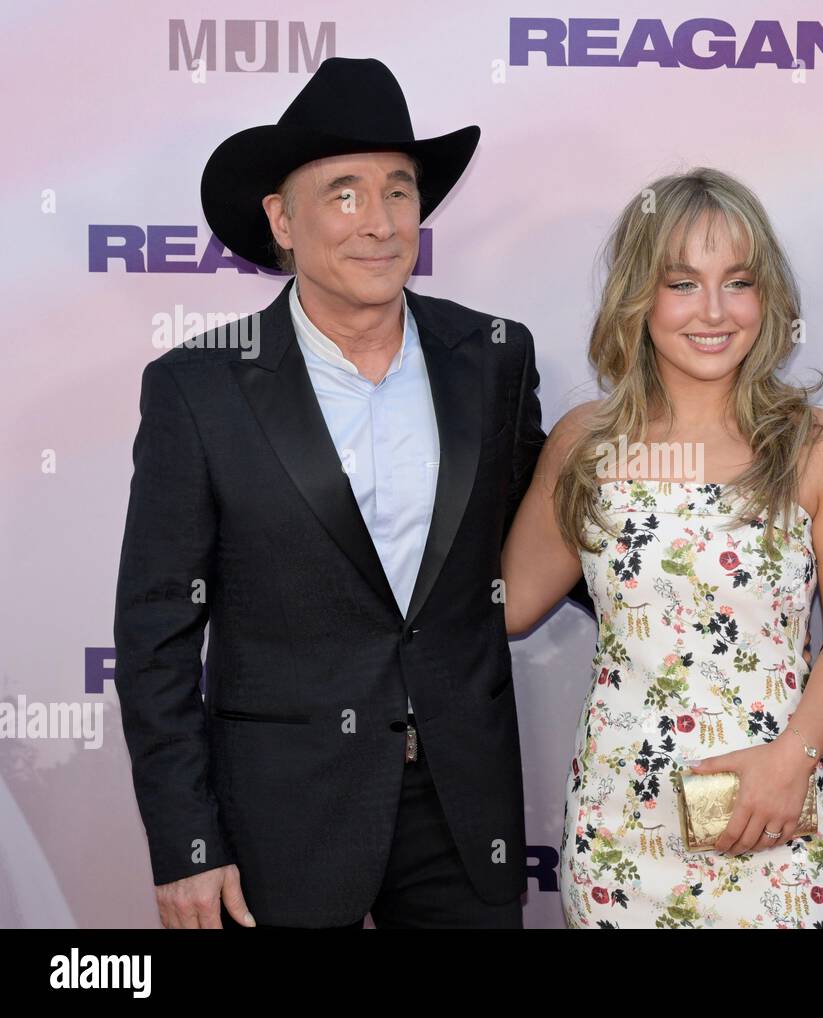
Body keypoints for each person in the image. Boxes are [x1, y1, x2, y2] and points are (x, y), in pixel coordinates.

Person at [113, 57, 589, 929]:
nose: (378, 223)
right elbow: (155, 635)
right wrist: (186, 841)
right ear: (280, 221)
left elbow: (557, 547)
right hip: (279, 825)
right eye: (343, 193)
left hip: (462, 813)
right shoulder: (198, 387)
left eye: (399, 192)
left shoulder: (493, 358)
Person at [502, 168, 823, 927]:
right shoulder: (588, 443)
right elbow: (506, 604)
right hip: (622, 824)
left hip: (771, 808)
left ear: (766, 296)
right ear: (639, 298)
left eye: (737, 282)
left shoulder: (817, 444)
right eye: (682, 283)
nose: (713, 311)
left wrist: (794, 760)